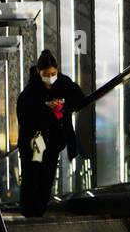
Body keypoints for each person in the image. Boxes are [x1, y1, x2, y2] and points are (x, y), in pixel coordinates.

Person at [15, 49, 85, 217]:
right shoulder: (29, 93)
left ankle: (38, 212)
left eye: (53, 73)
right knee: (31, 178)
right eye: (46, 74)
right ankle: (28, 212)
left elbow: (80, 99)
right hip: (33, 144)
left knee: (46, 179)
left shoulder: (63, 83)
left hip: (53, 143)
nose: (50, 77)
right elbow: (25, 119)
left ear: (57, 70)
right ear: (39, 72)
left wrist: (63, 105)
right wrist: (49, 110)